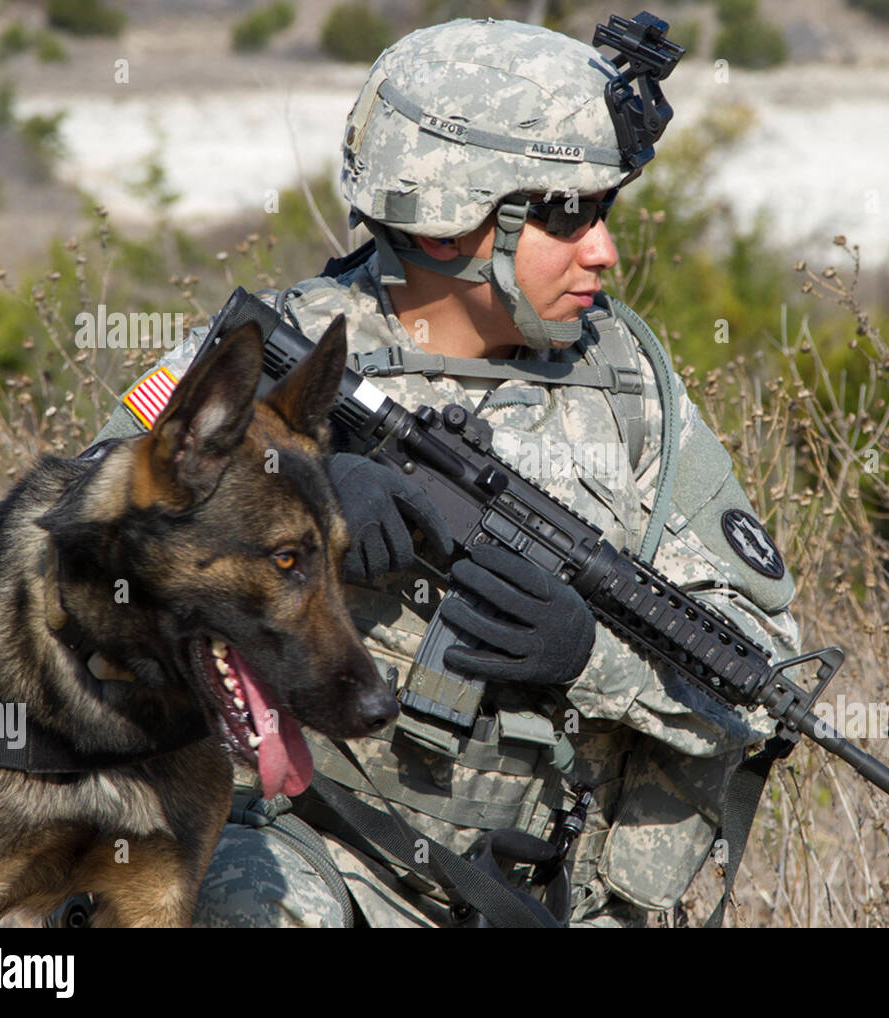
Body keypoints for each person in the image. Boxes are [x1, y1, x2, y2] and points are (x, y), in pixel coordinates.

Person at [93, 13, 801, 927]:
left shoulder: (636, 397)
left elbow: (770, 679)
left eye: (605, 212)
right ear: (445, 225)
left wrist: (594, 657)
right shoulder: (266, 361)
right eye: (563, 214)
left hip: (544, 893)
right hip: (302, 849)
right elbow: (72, 573)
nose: (603, 251)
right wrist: (294, 503)